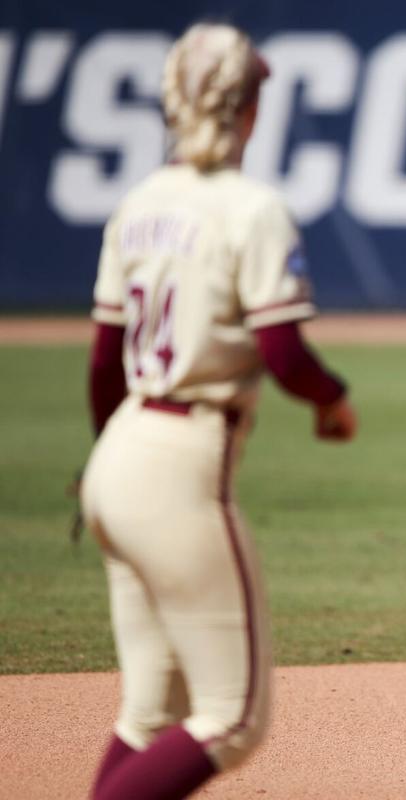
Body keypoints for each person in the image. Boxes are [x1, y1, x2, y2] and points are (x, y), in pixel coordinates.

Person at [79, 23, 357, 800]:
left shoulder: (137, 202)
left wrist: (112, 463)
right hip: (180, 459)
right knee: (233, 719)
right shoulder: (251, 208)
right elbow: (284, 355)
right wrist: (333, 401)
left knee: (150, 714)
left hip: (121, 448)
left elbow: (104, 365)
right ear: (251, 112)